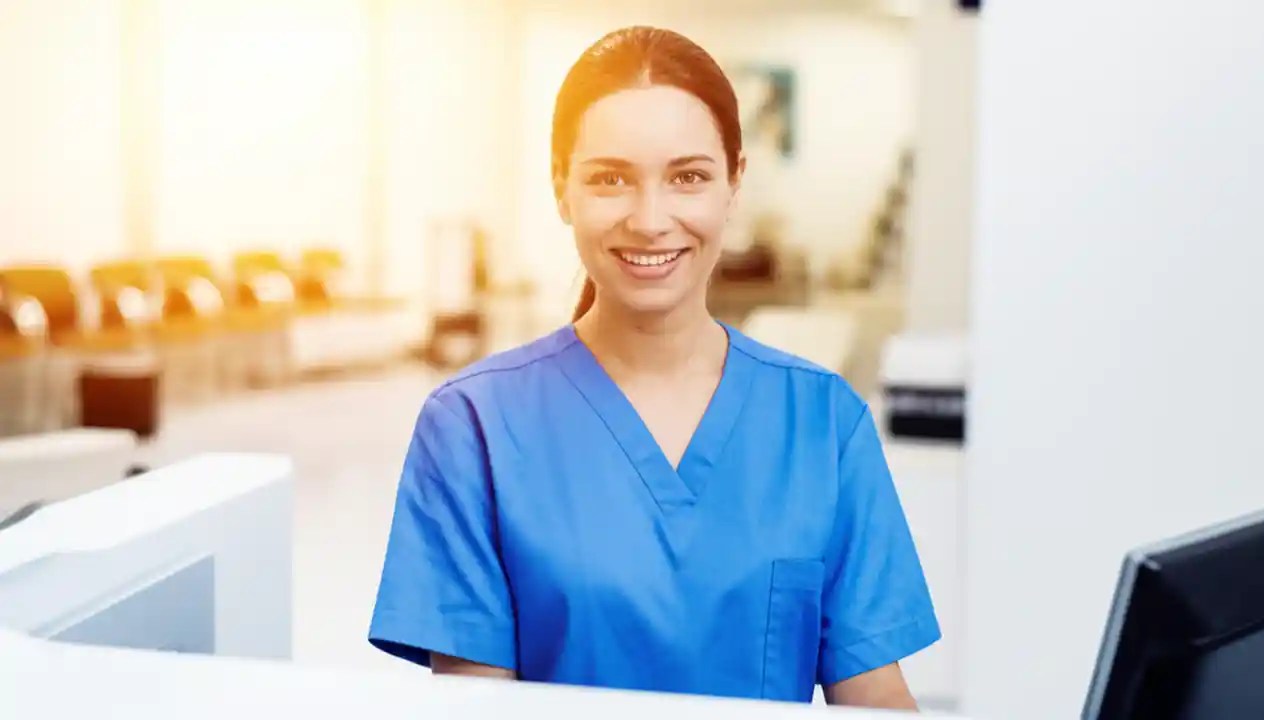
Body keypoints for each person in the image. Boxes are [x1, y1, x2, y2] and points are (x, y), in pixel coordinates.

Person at [368, 26, 940, 709]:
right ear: (561, 190)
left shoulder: (823, 422)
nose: (650, 218)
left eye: (688, 177)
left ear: (733, 185)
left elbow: (873, 692)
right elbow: (476, 707)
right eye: (610, 179)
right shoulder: (473, 428)